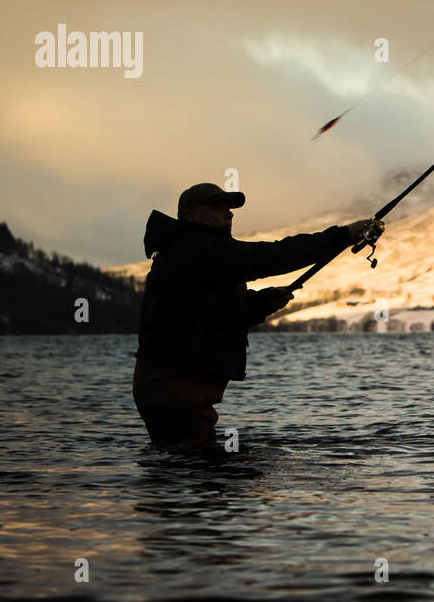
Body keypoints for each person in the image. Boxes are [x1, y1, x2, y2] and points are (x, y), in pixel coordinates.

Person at [132, 182, 381, 448]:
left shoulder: (195, 252)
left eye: (228, 208)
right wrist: (342, 236)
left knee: (192, 472)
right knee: (194, 470)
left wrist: (262, 302)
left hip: (178, 385)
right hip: (176, 386)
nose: (228, 213)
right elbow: (271, 256)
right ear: (190, 215)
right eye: (217, 207)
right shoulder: (196, 249)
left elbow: (213, 314)